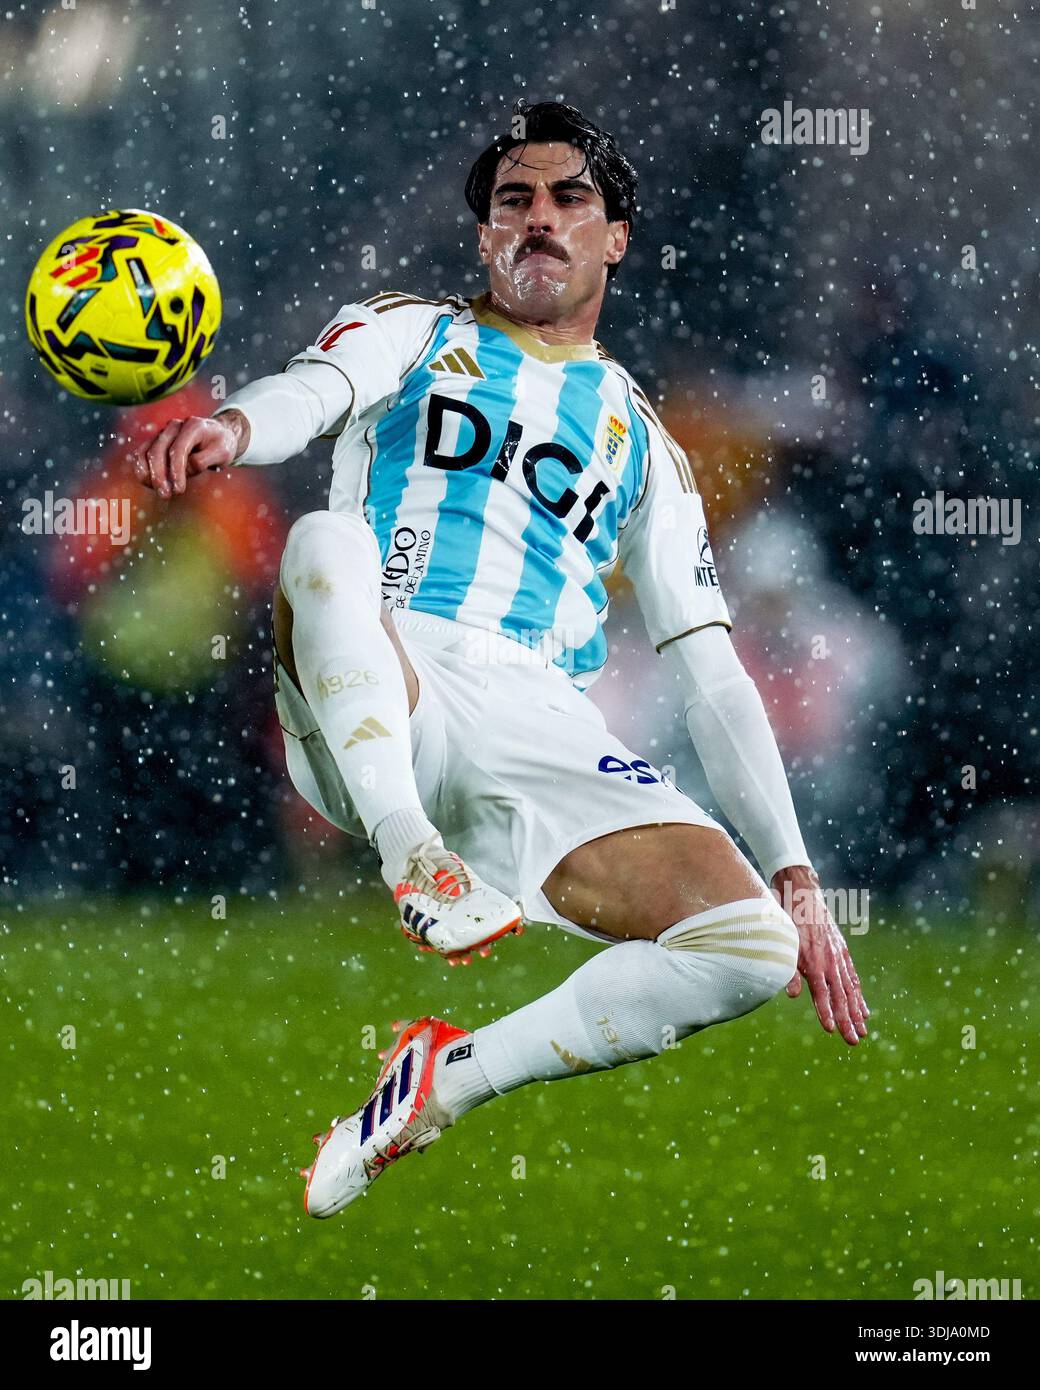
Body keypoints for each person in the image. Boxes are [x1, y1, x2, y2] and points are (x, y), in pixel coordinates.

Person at [132, 100, 868, 1221]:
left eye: (567, 197)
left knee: (748, 945)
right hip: (381, 674)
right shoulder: (412, 329)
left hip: (536, 714)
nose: (536, 217)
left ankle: (443, 1078)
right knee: (324, 538)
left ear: (614, 235)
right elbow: (310, 392)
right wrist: (234, 427)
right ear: (483, 237)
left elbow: (708, 667)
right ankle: (410, 854)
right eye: (510, 200)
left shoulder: (641, 437)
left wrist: (797, 874)